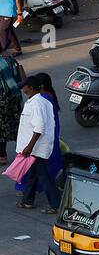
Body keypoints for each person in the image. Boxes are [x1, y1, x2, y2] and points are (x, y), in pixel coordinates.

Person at [14, 77, 60, 212]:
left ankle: (56, 205)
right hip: (35, 148)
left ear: (31, 88)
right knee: (32, 175)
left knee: (44, 177)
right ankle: (28, 201)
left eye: (24, 86)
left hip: (36, 149)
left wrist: (29, 147)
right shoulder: (37, 101)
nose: (22, 89)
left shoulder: (36, 104)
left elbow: (39, 127)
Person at [0, 53, 21, 165]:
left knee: (2, 131)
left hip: (3, 100)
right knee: (17, 126)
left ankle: (2, 156)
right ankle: (22, 152)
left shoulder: (2, 63)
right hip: (13, 98)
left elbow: (9, 81)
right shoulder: (9, 59)